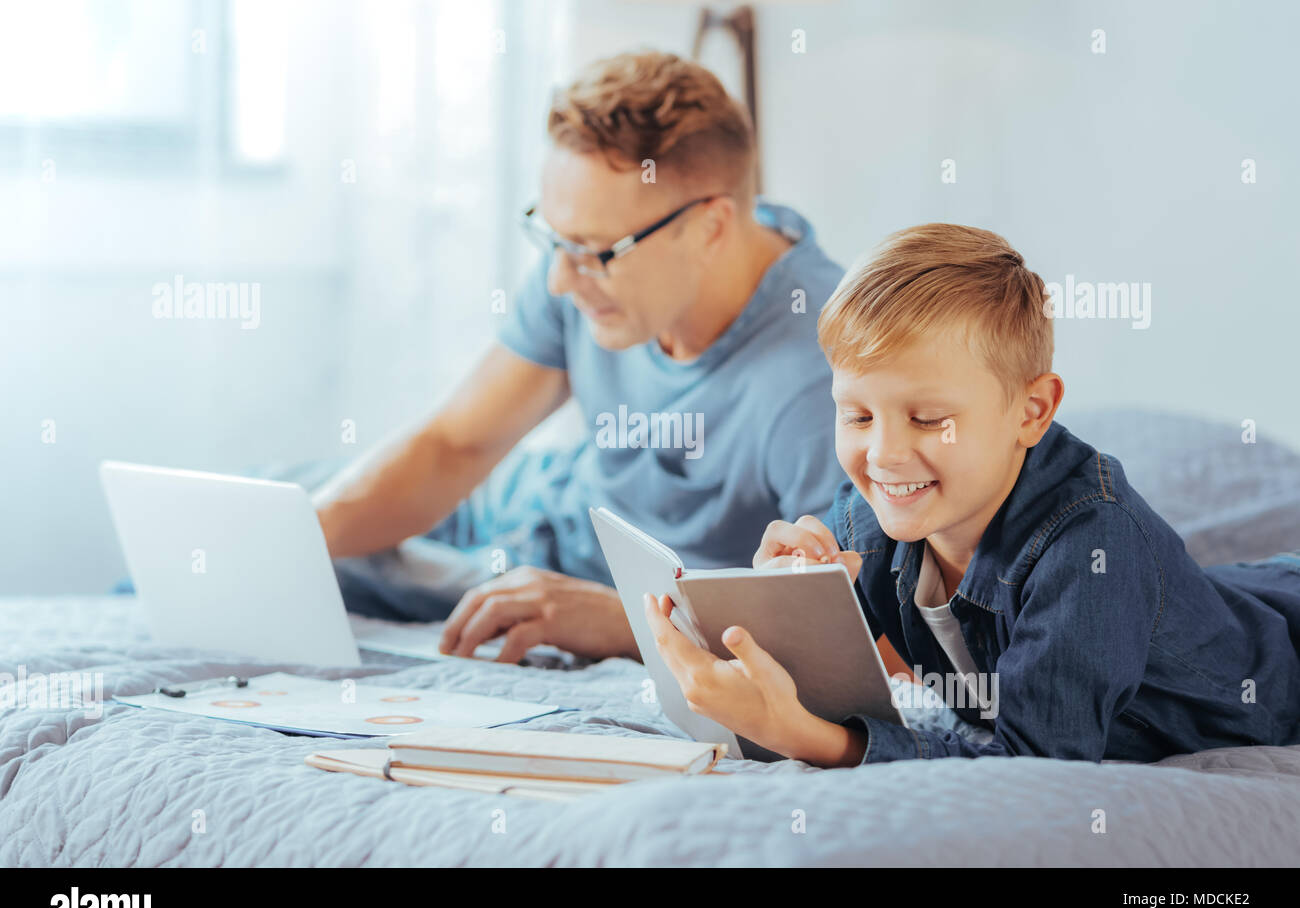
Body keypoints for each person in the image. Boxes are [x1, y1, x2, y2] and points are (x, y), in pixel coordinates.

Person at [645, 223, 1300, 765]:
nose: (883, 455)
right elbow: (809, 691)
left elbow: (1036, 768)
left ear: (1032, 411)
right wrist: (785, 613)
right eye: (859, 416)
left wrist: (809, 739)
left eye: (929, 419)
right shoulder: (870, 519)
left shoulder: (1092, 543)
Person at [313, 51, 845, 663]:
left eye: (595, 251)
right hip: (520, 516)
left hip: (576, 583)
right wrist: (298, 541)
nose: (561, 281)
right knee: (275, 514)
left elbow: (842, 626)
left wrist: (628, 621)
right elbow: (455, 447)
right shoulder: (588, 270)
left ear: (711, 226)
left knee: (338, 571)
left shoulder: (823, 373)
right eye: (553, 239)